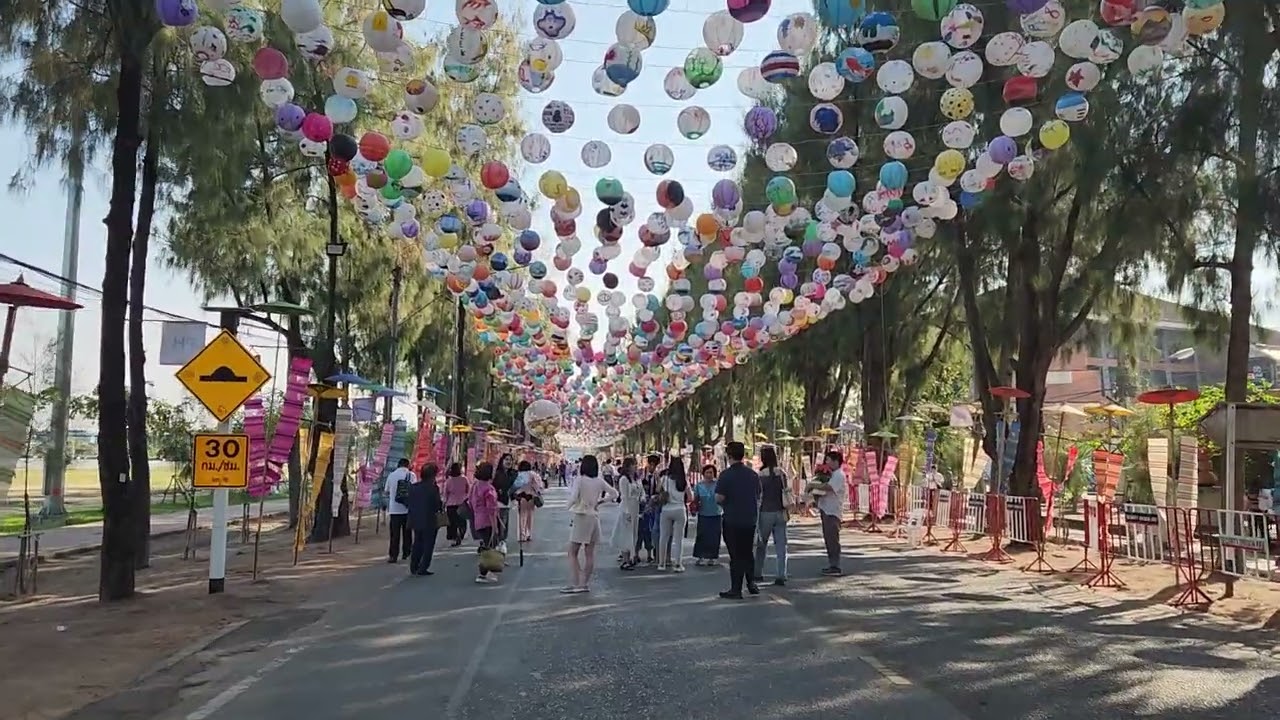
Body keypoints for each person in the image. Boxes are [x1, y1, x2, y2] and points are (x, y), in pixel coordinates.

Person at [563, 455, 618, 593]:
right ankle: (584, 583)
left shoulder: (580, 480)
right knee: (589, 554)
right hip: (594, 517)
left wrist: (566, 507)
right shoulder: (599, 481)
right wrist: (600, 502)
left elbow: (574, 497)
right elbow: (614, 493)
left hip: (581, 516)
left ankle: (577, 582)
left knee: (572, 552)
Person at [715, 441, 760, 599]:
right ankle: (751, 582)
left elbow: (719, 498)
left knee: (736, 555)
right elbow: (758, 494)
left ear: (729, 456)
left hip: (732, 519)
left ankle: (736, 588)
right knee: (747, 552)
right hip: (750, 519)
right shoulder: (753, 475)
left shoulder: (725, 475)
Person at [754, 445, 790, 586]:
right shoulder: (781, 473)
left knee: (761, 544)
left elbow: (757, 495)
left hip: (765, 512)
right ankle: (781, 574)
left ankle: (758, 572)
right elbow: (787, 490)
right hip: (781, 511)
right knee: (781, 545)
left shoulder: (759, 475)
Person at [816, 449, 849, 577]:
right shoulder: (830, 474)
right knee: (828, 539)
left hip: (832, 511)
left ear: (835, 461)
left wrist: (815, 486)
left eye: (828, 460)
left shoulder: (839, 475)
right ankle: (832, 564)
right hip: (826, 509)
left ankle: (835, 565)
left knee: (832, 539)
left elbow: (829, 487)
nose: (827, 462)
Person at [407, 463, 443, 576]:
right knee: (428, 545)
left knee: (417, 542)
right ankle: (423, 567)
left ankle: (414, 566)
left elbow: (408, 502)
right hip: (429, 520)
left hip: (416, 519)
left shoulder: (413, 487)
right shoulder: (433, 488)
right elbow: (437, 505)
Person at [657, 456, 691, 572]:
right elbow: (690, 497)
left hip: (666, 509)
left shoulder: (665, 479)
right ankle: (678, 564)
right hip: (680, 509)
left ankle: (661, 564)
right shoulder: (684, 481)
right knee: (678, 539)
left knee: (663, 537)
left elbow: (657, 490)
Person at [469, 462, 501, 584]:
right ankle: (483, 574)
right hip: (488, 520)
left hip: (478, 518)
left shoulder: (475, 486)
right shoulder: (488, 488)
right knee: (489, 548)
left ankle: (487, 572)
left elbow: (470, 502)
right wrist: (495, 526)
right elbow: (491, 508)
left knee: (486, 546)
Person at [615, 457, 643, 570]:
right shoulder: (624, 479)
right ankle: (625, 559)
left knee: (634, 534)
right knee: (626, 533)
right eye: (633, 464)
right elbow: (624, 496)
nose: (635, 466)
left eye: (636, 464)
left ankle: (632, 556)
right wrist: (627, 512)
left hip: (636, 507)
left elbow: (641, 491)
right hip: (627, 507)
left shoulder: (636, 479)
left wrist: (642, 498)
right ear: (627, 466)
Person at [692, 463, 723, 567]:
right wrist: (694, 507)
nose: (709, 475)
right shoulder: (699, 485)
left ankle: (712, 557)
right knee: (702, 535)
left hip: (716, 513)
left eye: (711, 473)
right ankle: (700, 557)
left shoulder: (718, 484)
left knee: (714, 536)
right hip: (703, 514)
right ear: (703, 473)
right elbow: (695, 499)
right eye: (707, 472)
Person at [383, 458, 413, 563]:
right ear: (407, 465)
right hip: (407, 509)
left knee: (394, 534)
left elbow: (386, 491)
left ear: (398, 465)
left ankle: (393, 555)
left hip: (394, 510)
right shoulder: (411, 475)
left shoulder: (391, 475)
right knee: (407, 533)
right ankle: (406, 553)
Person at [513, 460, 543, 543]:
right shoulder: (533, 474)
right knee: (530, 516)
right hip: (531, 497)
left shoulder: (518, 475)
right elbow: (539, 485)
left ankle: (522, 535)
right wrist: (538, 492)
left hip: (521, 497)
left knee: (522, 517)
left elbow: (514, 486)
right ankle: (528, 534)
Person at [442, 462, 469, 547]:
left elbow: (445, 493)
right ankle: (461, 534)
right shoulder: (464, 479)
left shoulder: (449, 481)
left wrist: (444, 504)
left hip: (451, 504)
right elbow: (468, 490)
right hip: (462, 503)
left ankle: (454, 538)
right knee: (462, 521)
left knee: (452, 523)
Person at [494, 454, 517, 548]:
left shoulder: (512, 474)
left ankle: (501, 542)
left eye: (510, 460)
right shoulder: (497, 474)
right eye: (506, 459)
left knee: (504, 524)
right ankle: (499, 542)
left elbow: (513, 488)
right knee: (501, 525)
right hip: (498, 503)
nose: (509, 462)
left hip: (506, 503)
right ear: (502, 461)